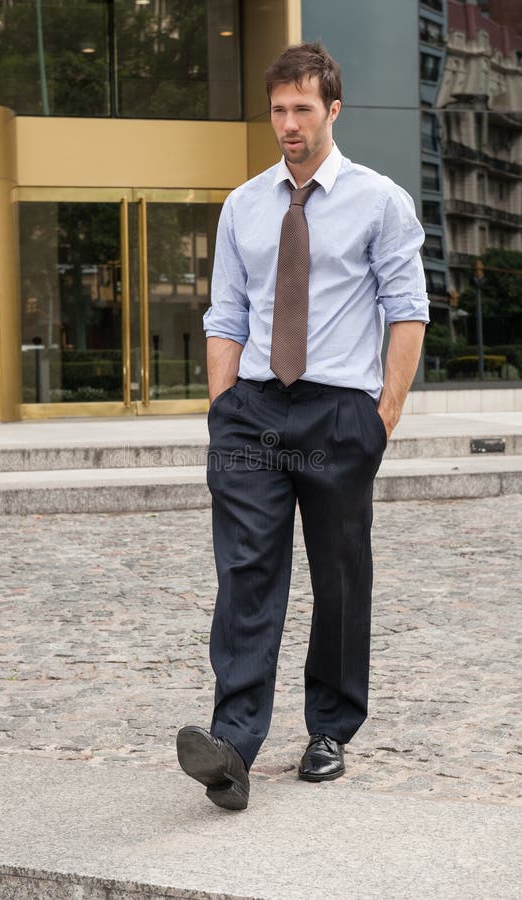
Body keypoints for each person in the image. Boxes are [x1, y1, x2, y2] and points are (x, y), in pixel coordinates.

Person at [176, 42, 429, 811]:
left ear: (332, 110)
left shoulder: (380, 200)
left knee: (339, 574)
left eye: (301, 110)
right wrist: (223, 407)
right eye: (278, 109)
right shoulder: (243, 205)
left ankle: (329, 727)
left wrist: (381, 417)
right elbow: (227, 313)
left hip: (338, 410)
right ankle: (232, 747)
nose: (287, 124)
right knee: (245, 571)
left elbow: (406, 311)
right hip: (252, 413)